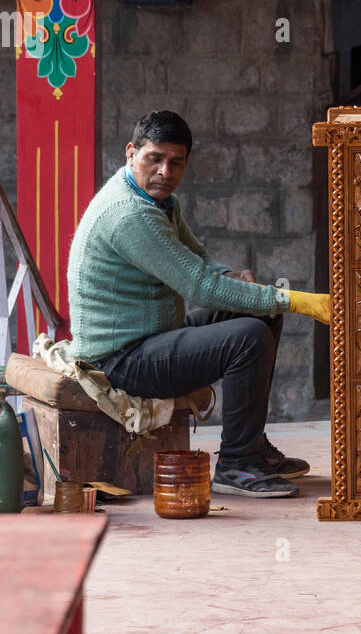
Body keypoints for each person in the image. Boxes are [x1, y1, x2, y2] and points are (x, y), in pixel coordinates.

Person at [67, 109, 329, 498]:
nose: (164, 172)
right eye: (154, 158)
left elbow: (199, 259)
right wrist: (299, 301)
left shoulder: (158, 201)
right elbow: (199, 286)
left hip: (154, 335)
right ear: (130, 153)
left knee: (261, 313)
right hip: (120, 358)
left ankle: (251, 448)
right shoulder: (130, 214)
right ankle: (235, 465)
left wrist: (229, 275)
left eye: (176, 162)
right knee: (249, 336)